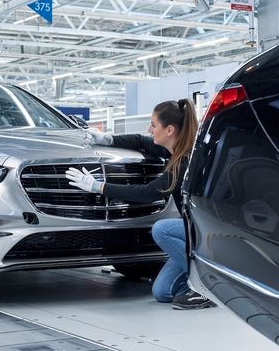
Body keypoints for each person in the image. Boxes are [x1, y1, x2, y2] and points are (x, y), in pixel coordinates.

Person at [64, 99, 214, 310]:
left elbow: (147, 193)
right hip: (196, 234)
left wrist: (99, 187)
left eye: (153, 125)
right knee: (162, 292)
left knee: (162, 229)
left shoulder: (184, 162)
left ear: (169, 129)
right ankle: (204, 283)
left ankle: (208, 286)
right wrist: (108, 139)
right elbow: (141, 141)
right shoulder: (177, 149)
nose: (149, 129)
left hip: (206, 234)